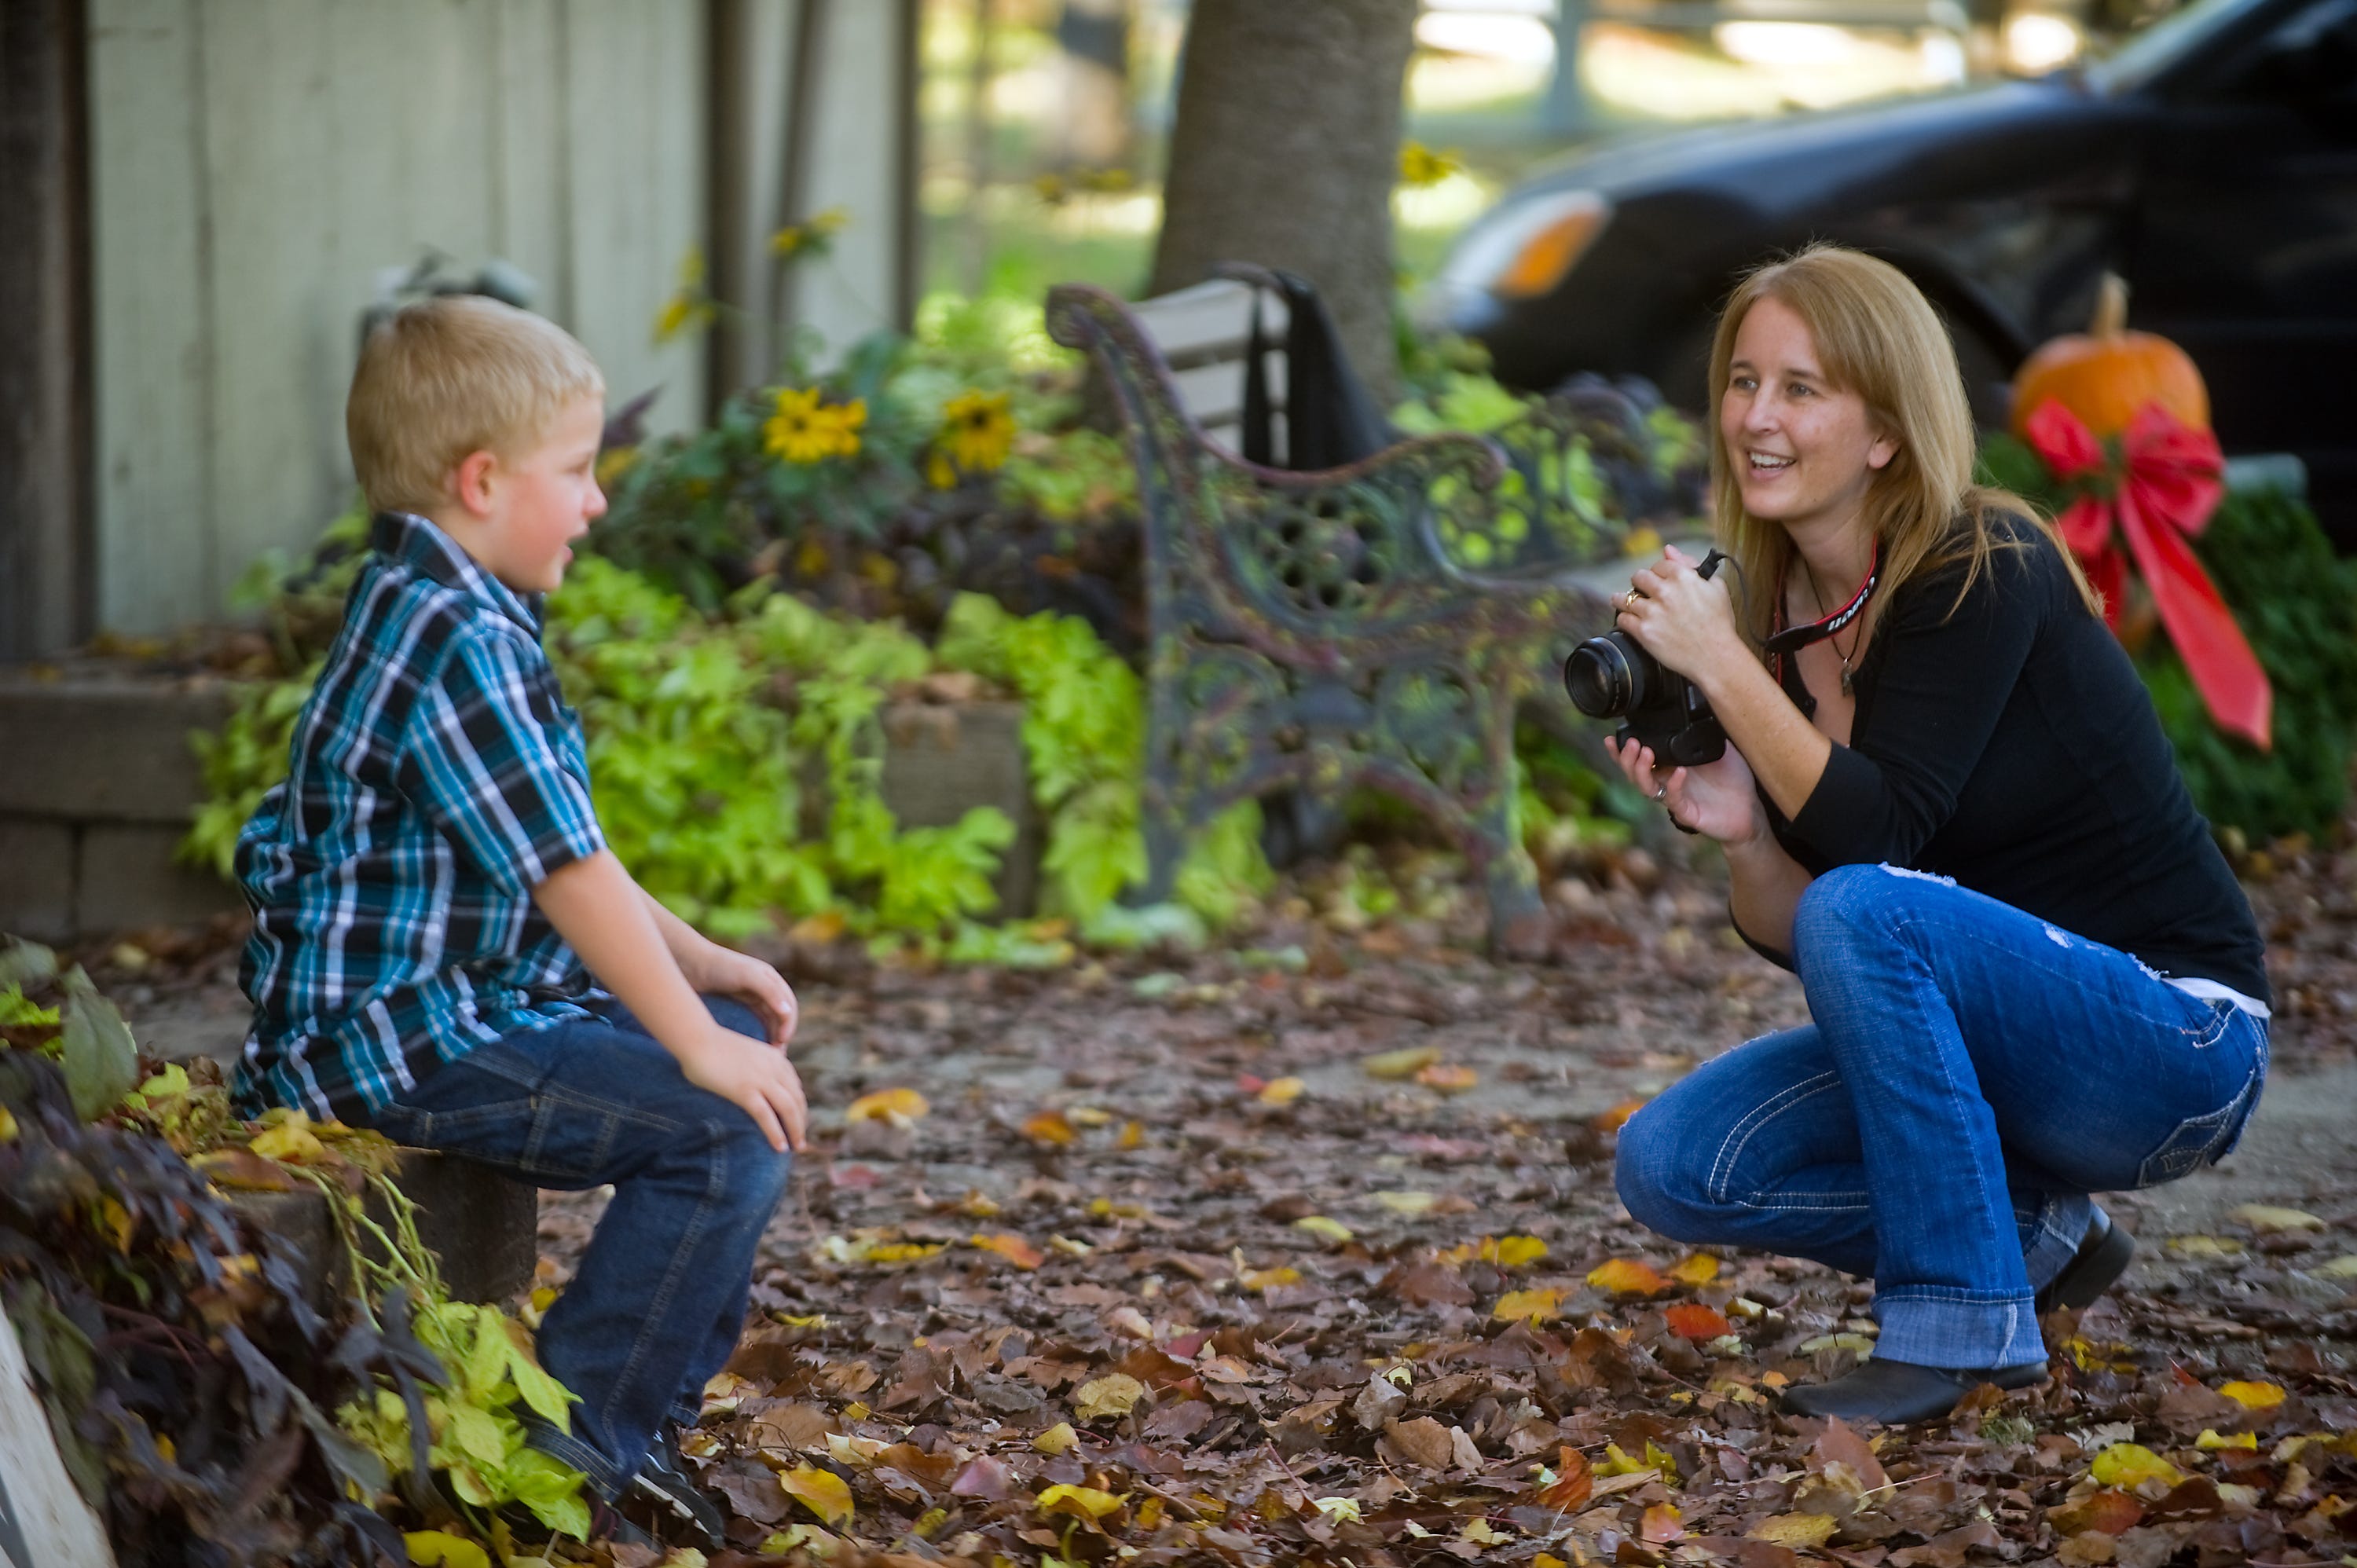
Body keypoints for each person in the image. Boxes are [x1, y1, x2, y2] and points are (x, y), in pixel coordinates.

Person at [1603, 244, 2270, 1424]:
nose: (1757, 415)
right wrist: (1748, 834)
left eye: (1802, 388)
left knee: (1868, 898)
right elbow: (1812, 930)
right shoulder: (1778, 624)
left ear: (1886, 433)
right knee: (1675, 1163)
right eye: (1744, 381)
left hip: (2175, 1040)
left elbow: (1879, 849)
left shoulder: (1983, 561)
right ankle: (2040, 1239)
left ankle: (1959, 1326)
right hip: (2001, 1045)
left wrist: (1715, 663)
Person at [231, 295, 811, 1544]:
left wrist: (699, 968)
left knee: (723, 1050)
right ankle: (571, 1455)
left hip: (458, 998)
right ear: (483, 480)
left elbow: (562, 841)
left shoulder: (451, 601)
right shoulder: (450, 636)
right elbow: (565, 874)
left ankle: (632, 1423)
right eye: (580, 471)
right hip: (389, 1042)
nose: (598, 500)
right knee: (723, 1126)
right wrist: (701, 1047)